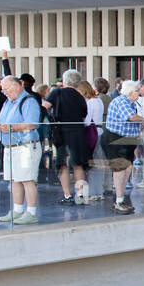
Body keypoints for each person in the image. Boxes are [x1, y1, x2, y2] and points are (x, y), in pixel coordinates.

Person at [0, 76, 42, 224]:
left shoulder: (28, 101)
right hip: (10, 146)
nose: (4, 92)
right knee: (15, 179)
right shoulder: (8, 102)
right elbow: (2, 120)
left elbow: (32, 124)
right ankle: (17, 210)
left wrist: (10, 128)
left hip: (25, 146)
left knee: (27, 179)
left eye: (6, 89)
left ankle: (31, 212)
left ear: (16, 86)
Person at [47, 68, 91, 205]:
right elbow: (84, 114)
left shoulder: (57, 92)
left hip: (62, 132)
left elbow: (45, 106)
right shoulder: (80, 97)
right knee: (78, 165)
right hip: (78, 132)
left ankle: (67, 195)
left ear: (65, 80)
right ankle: (80, 194)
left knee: (63, 165)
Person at [103, 82, 144, 214]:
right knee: (120, 170)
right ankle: (118, 201)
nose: (138, 94)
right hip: (116, 139)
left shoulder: (132, 103)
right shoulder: (121, 101)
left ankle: (121, 199)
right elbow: (130, 117)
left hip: (127, 140)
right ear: (130, 92)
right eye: (136, 91)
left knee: (127, 168)